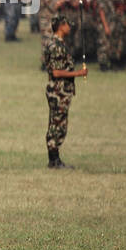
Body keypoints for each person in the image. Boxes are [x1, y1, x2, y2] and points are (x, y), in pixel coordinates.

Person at [43, 14, 87, 168]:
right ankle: (54, 160)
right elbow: (56, 72)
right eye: (67, 24)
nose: (70, 27)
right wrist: (78, 74)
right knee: (57, 124)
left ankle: (55, 159)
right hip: (58, 90)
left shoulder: (58, 44)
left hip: (62, 90)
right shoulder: (55, 46)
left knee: (59, 124)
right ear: (61, 26)